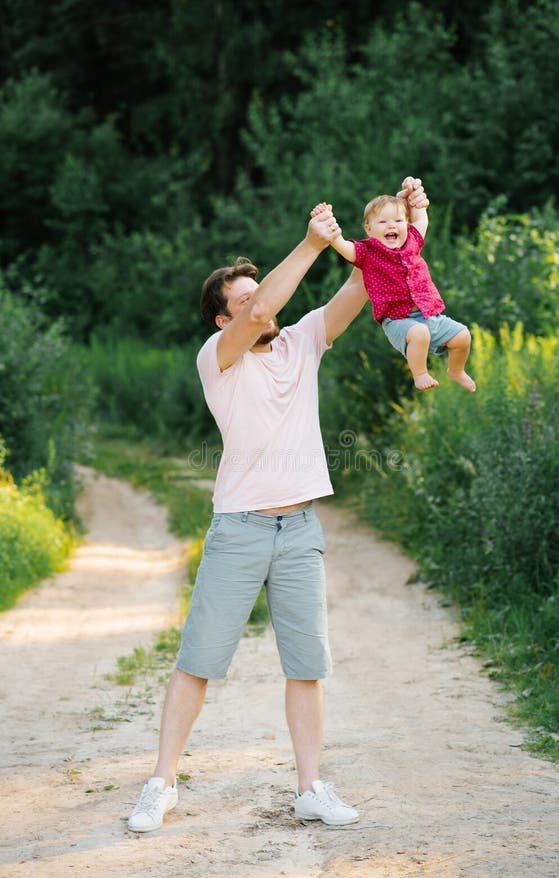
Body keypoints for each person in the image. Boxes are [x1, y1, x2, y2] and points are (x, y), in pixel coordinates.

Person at [127, 181, 430, 834]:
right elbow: (266, 304)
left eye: (254, 295)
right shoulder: (218, 359)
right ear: (223, 320)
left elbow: (366, 285)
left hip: (300, 530)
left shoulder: (302, 340)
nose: (258, 307)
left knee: (307, 665)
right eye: (241, 303)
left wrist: (394, 225)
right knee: (198, 661)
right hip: (238, 531)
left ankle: (312, 787)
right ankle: (159, 784)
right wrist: (308, 243)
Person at [313, 177, 476, 392]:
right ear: (369, 229)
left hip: (429, 315)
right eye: (383, 222)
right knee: (420, 334)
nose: (392, 226)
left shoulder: (413, 241)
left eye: (398, 221)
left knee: (463, 335)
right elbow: (343, 246)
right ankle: (420, 374)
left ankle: (456, 370)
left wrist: (413, 194)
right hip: (399, 321)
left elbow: (421, 220)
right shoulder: (368, 252)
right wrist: (329, 227)